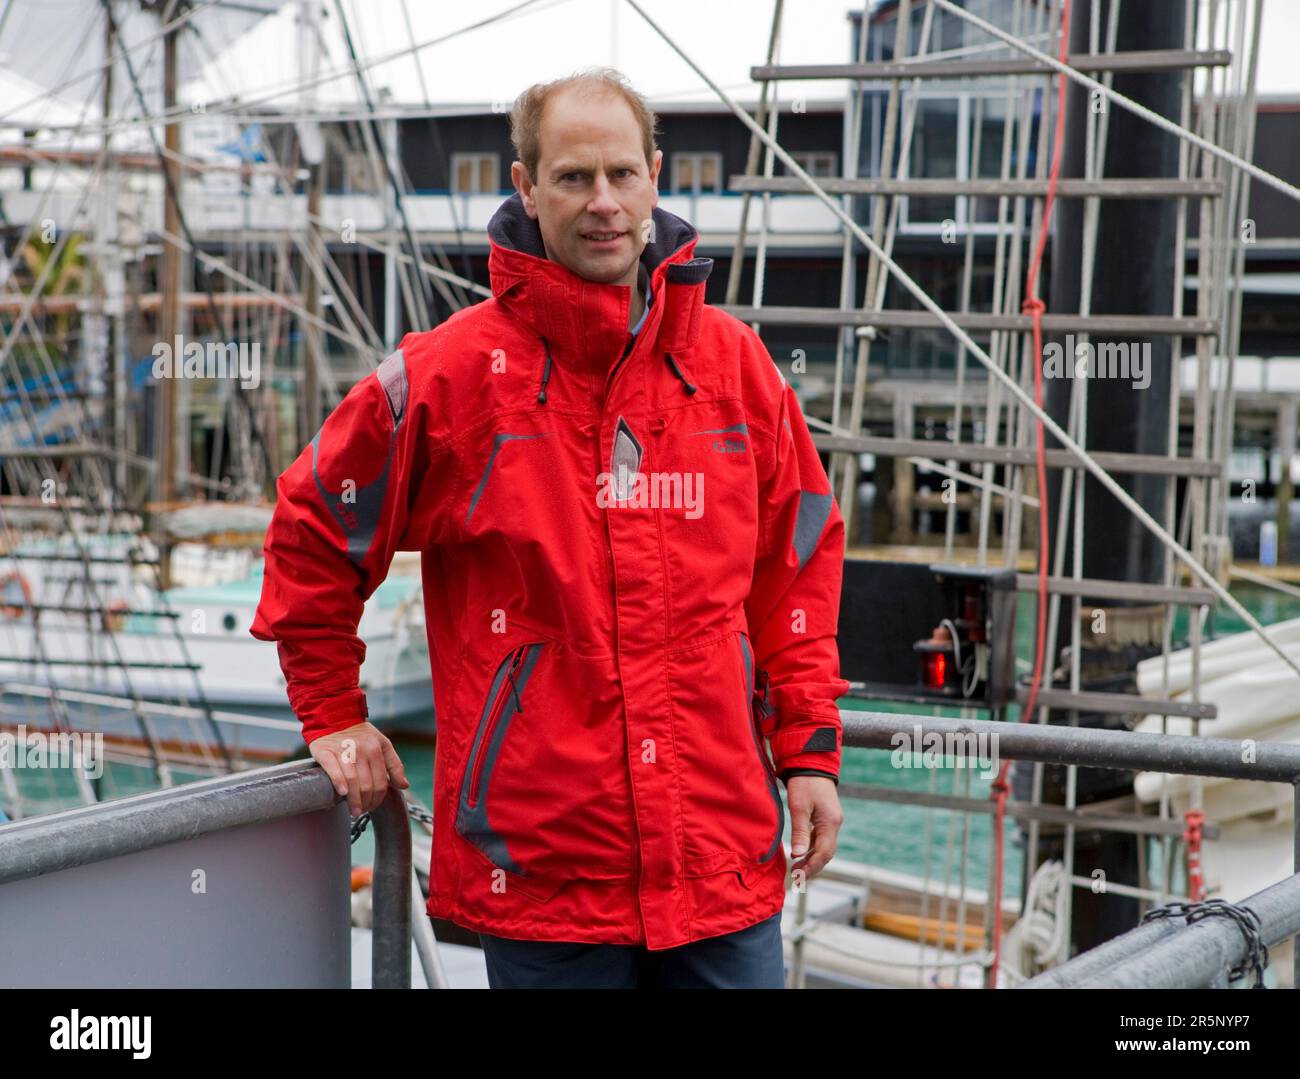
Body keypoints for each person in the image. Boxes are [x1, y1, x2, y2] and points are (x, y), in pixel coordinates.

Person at [251, 67, 850, 989]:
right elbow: (312, 528)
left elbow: (797, 564)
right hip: (547, 882)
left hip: (721, 864)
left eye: (621, 174)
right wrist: (333, 716)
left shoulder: (736, 368)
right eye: (573, 177)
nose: (602, 202)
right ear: (526, 188)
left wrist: (809, 748)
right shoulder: (448, 378)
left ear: (655, 177)